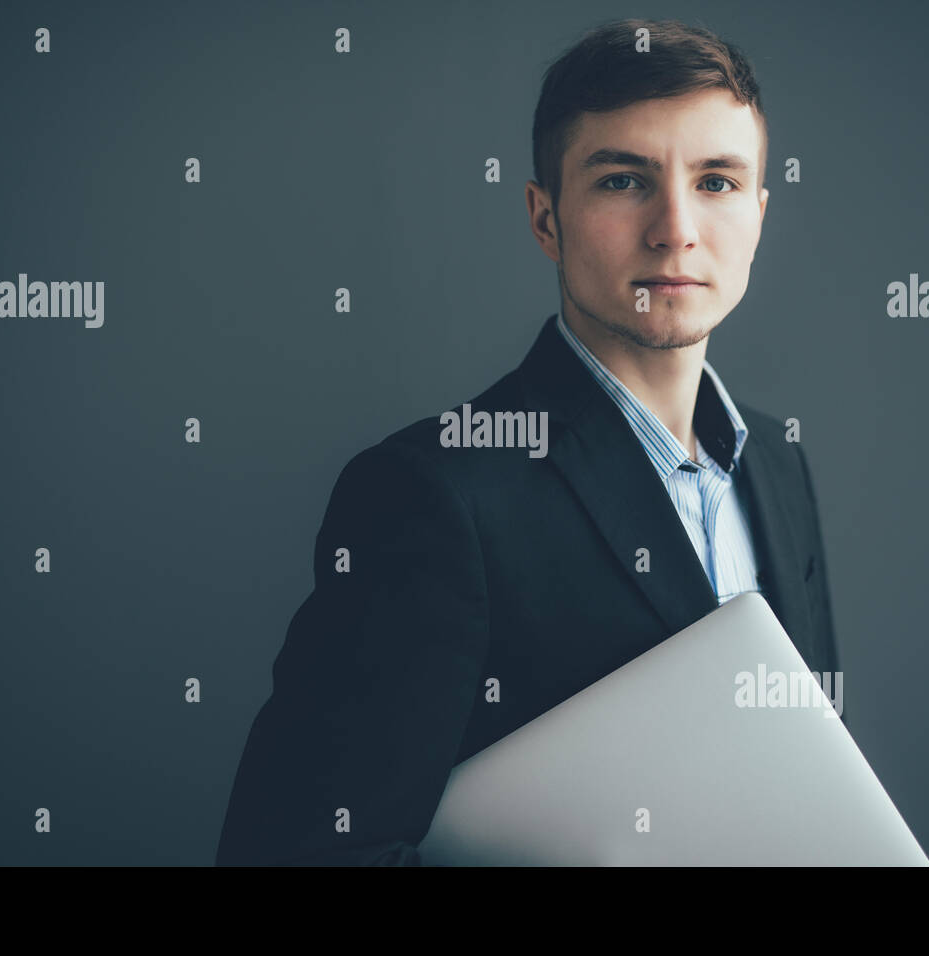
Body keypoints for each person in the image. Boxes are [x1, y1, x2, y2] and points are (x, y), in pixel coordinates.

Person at [216, 17, 839, 867]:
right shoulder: (428, 497)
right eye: (624, 180)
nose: (676, 229)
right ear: (545, 219)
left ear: (760, 215)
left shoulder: (778, 465)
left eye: (718, 182)